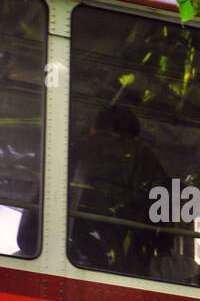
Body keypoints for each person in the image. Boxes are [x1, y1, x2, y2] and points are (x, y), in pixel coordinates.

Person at [67, 104, 171, 275]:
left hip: (76, 235)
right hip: (126, 246)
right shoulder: (144, 156)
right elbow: (164, 199)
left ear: (94, 127)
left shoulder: (76, 148)